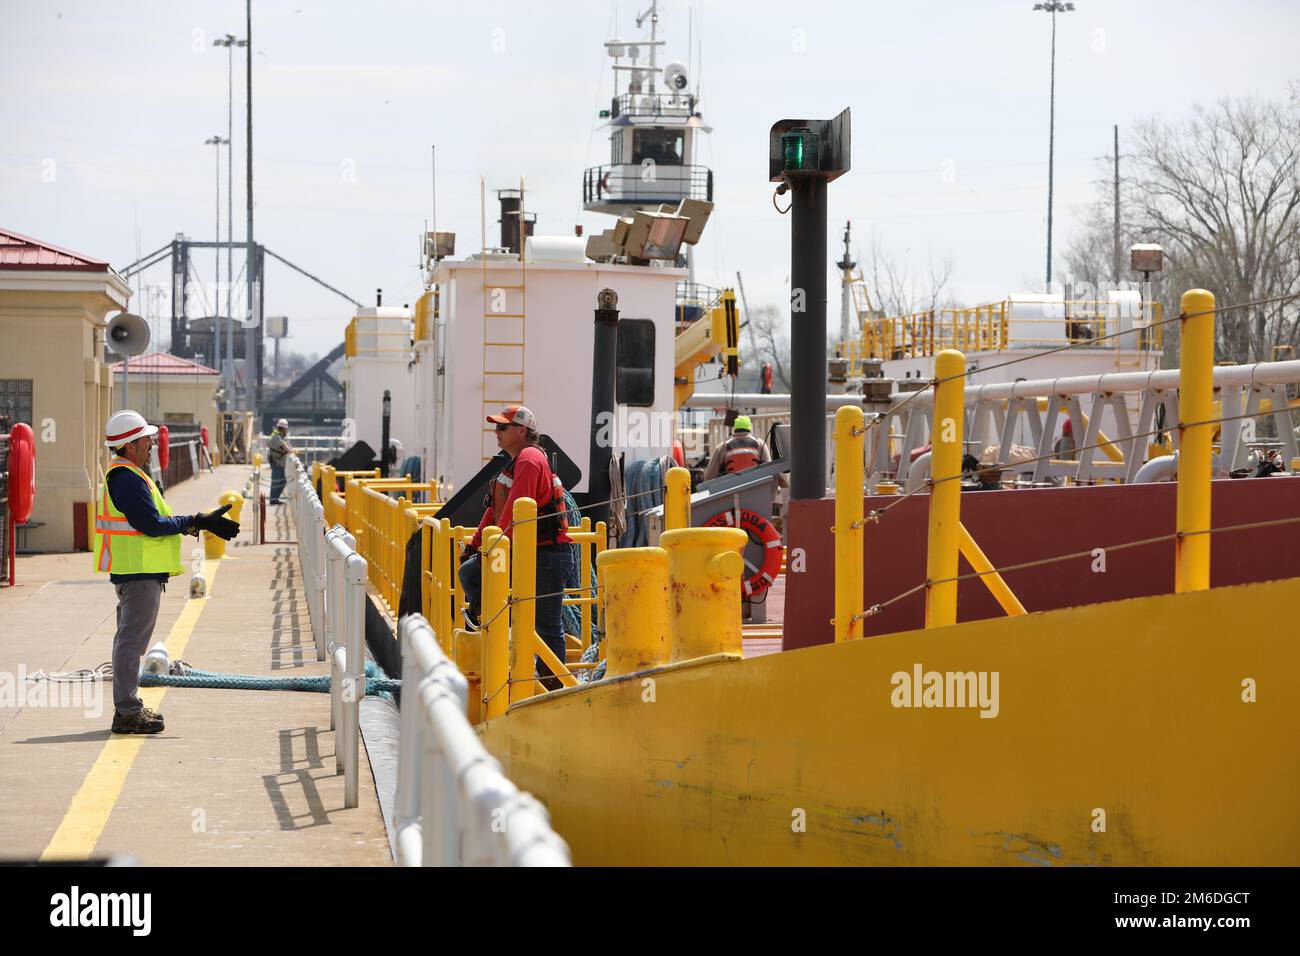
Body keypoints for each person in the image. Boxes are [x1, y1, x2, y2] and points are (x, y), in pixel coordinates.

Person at [93, 410, 241, 734]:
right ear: (130, 445)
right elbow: (151, 524)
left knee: (129, 641)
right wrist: (195, 521)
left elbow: (154, 520)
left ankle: (128, 708)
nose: (151, 444)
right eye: (146, 439)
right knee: (131, 643)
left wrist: (192, 523)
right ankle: (128, 712)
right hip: (139, 575)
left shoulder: (130, 474)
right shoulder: (128, 479)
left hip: (138, 573)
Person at [458, 405, 571, 690]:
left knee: (547, 626)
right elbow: (495, 511)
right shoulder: (514, 462)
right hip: (531, 553)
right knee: (470, 572)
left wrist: (494, 548)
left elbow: (515, 511)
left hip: (546, 555)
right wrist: (475, 545)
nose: (496, 432)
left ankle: (552, 688)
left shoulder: (530, 460)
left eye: (502, 427)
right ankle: (489, 617)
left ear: (522, 431)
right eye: (496, 427)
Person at [702, 415, 772, 480]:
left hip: (731, 488)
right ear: (750, 427)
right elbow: (770, 469)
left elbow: (709, 476)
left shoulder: (724, 446)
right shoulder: (759, 443)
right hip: (756, 486)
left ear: (734, 429)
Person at [267, 418, 296, 503]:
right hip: (276, 461)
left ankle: (275, 499)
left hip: (279, 461)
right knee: (276, 480)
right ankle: (273, 500)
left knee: (282, 480)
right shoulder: (276, 436)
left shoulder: (281, 435)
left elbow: (287, 446)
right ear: (283, 429)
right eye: (286, 429)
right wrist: (292, 451)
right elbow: (286, 447)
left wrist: (291, 450)